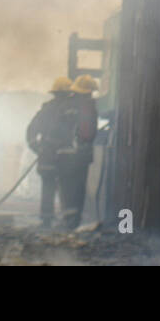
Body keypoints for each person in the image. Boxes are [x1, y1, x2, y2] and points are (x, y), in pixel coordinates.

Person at [27, 76, 78, 228]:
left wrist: (37, 148)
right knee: (66, 187)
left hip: (46, 155)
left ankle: (46, 219)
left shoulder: (45, 109)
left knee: (48, 186)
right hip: (63, 155)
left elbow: (31, 130)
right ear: (67, 93)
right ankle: (68, 220)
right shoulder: (70, 110)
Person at [57, 75, 99, 230]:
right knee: (78, 188)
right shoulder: (87, 106)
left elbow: (56, 129)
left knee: (65, 188)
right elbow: (87, 133)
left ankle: (67, 221)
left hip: (63, 154)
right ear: (88, 92)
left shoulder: (64, 105)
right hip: (80, 155)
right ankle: (73, 223)